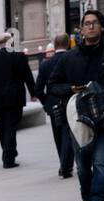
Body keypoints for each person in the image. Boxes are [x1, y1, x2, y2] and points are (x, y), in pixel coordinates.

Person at [46, 9, 104, 201]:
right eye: (87, 23)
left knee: (101, 162)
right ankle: (86, 199)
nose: (91, 26)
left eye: (94, 23)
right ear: (81, 29)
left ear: (102, 27)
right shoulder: (68, 58)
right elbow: (53, 85)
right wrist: (71, 89)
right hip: (79, 121)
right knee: (83, 166)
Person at [0, 33, 37, 168]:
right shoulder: (19, 57)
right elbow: (28, 77)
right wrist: (33, 93)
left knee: (2, 127)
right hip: (14, 98)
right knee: (11, 127)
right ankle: (8, 157)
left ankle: (9, 152)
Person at [35, 33, 77, 178]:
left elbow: (38, 89)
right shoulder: (73, 59)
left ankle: (63, 163)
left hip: (53, 104)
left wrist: (46, 102)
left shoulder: (45, 64)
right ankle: (66, 165)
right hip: (70, 101)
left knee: (58, 135)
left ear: (55, 44)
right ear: (67, 44)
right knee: (69, 134)